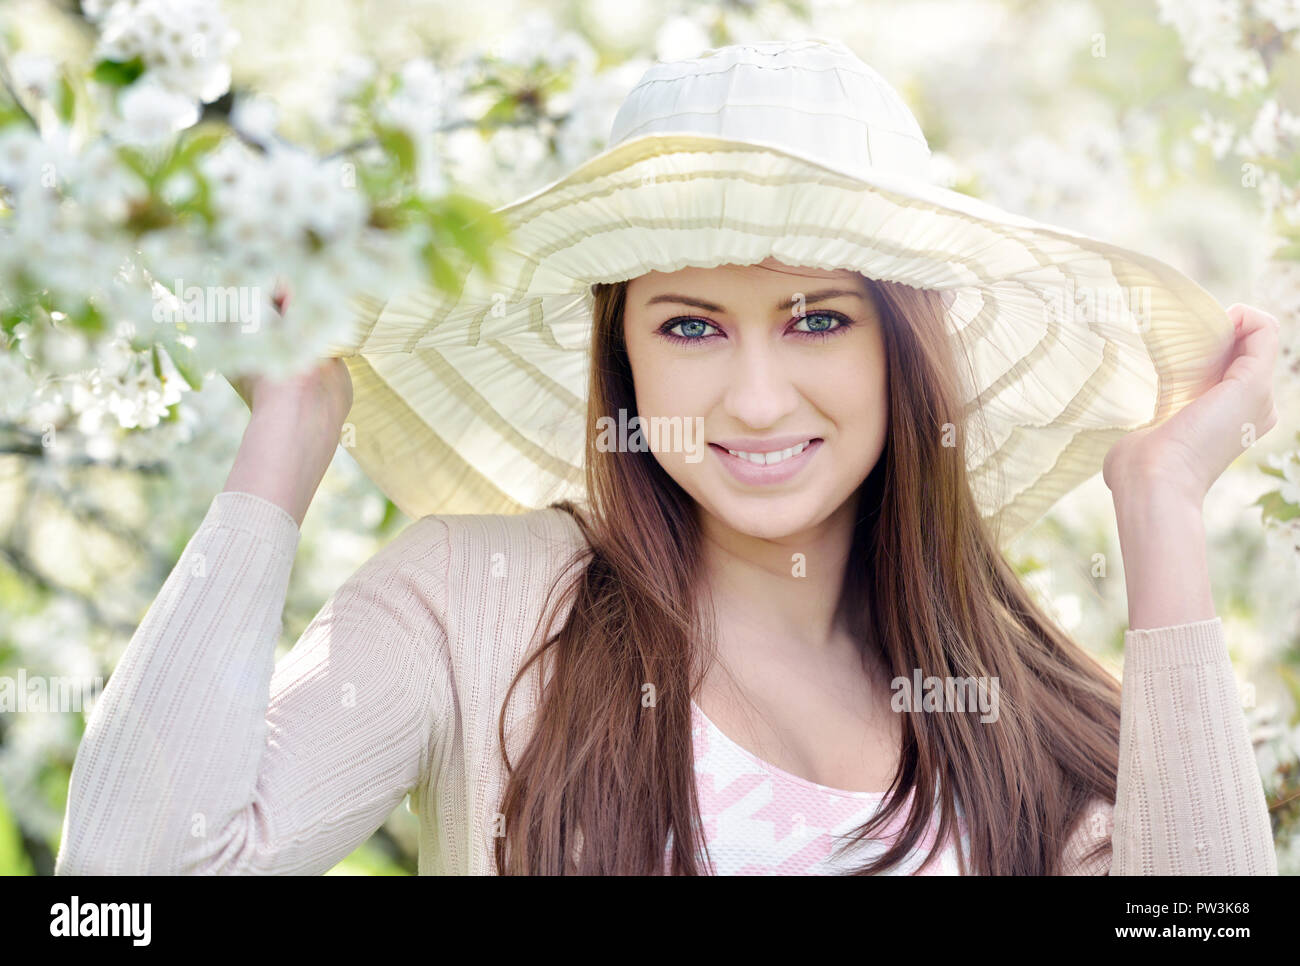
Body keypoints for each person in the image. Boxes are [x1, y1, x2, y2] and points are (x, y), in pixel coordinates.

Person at [55, 39, 1281, 875]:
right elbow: (127, 882)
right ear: (623, 358)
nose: (753, 399)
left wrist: (1162, 507)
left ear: (904, 350)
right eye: (689, 325)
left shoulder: (1024, 723)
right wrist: (288, 429)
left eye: (818, 318)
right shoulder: (473, 602)